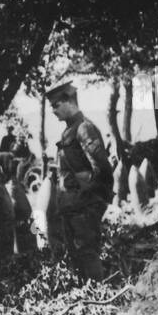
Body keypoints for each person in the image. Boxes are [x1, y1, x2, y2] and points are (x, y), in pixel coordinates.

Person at [47, 78, 112, 280]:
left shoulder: (84, 128)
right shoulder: (69, 130)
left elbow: (101, 168)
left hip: (83, 206)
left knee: (87, 252)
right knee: (76, 254)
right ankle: (87, 297)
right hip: (71, 205)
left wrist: (89, 201)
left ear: (69, 102)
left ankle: (98, 296)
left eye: (56, 105)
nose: (53, 111)